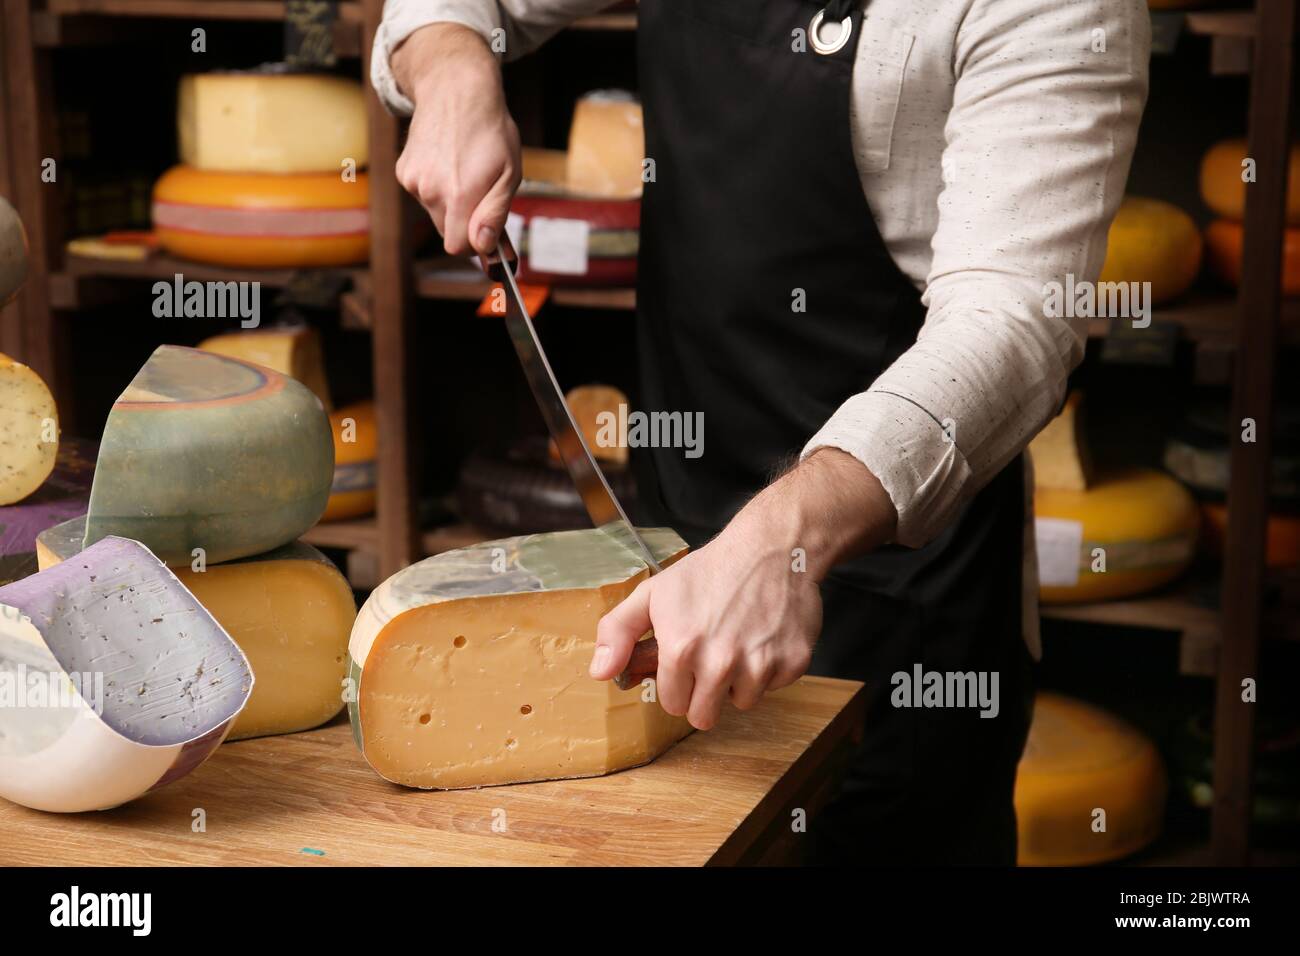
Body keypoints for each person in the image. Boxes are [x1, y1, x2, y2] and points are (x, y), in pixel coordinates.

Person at [373, 0, 1150, 864]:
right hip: (669, 563)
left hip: (900, 607)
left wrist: (781, 538)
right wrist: (451, 72)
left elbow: (1015, 323)